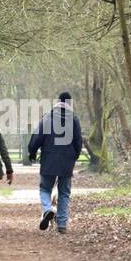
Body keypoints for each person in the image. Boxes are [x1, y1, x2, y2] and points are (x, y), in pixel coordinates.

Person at [27, 91, 83, 234]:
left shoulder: (48, 118)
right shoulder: (74, 120)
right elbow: (78, 142)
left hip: (49, 160)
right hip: (67, 161)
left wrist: (32, 152)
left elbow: (37, 138)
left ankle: (47, 210)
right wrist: (74, 157)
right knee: (64, 192)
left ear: (58, 102)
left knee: (45, 189)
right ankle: (62, 224)